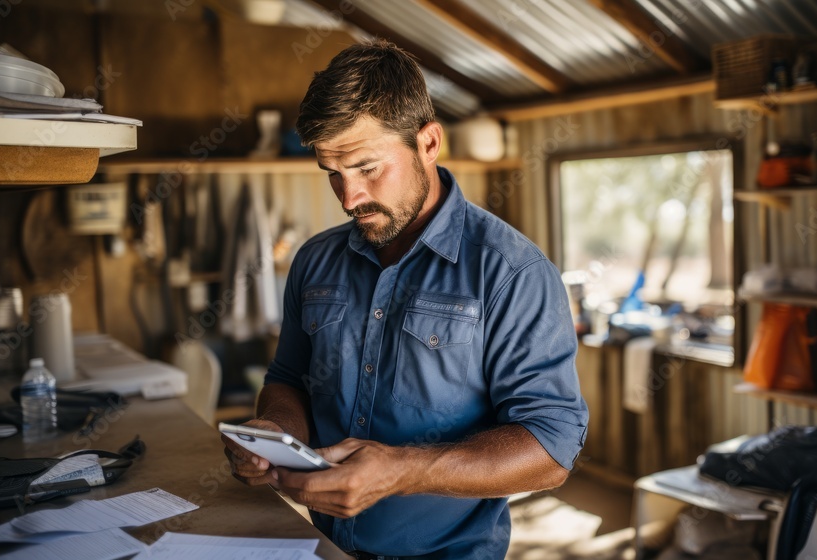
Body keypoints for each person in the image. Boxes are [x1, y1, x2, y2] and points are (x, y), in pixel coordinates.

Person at [223, 40, 588, 559]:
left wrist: (402, 471)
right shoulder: (315, 261)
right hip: (321, 546)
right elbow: (288, 382)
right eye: (333, 174)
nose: (350, 198)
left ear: (429, 142)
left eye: (368, 168)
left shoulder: (513, 272)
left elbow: (551, 449)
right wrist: (273, 433)